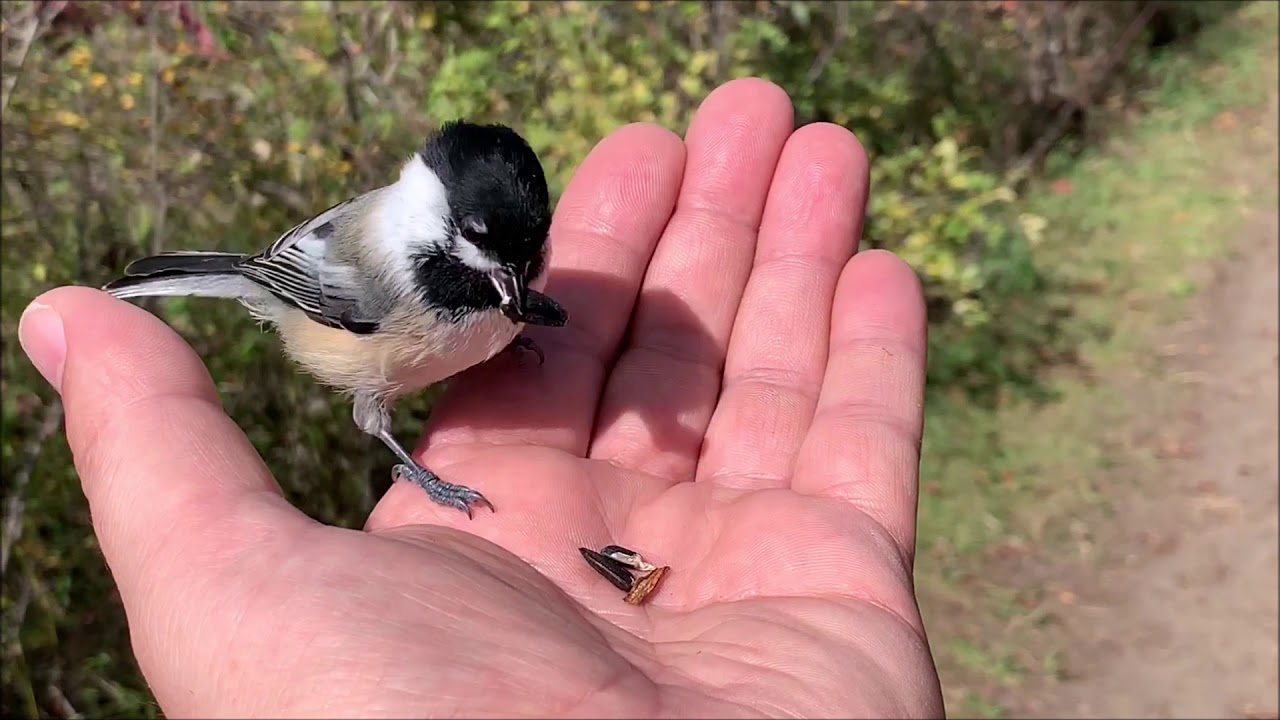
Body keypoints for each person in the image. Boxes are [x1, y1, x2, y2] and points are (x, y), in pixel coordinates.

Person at [17, 78, 945, 718]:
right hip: (332, 308)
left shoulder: (503, 255)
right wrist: (432, 483)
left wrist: (509, 317)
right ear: (441, 214)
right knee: (382, 414)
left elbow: (506, 288)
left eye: (527, 260)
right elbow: (311, 273)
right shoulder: (391, 268)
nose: (517, 278)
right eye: (494, 258)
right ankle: (420, 465)